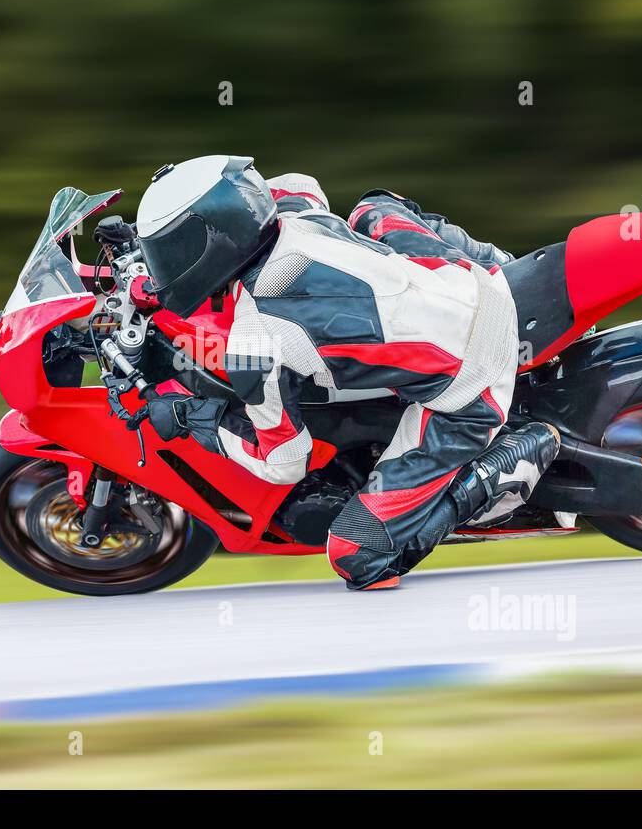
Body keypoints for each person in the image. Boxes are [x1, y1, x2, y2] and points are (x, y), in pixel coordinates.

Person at [133, 155, 560, 590]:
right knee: (372, 207)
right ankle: (509, 262)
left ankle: (504, 468)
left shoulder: (254, 338)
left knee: (356, 559)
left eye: (172, 249)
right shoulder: (292, 210)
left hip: (473, 379)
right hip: (472, 279)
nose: (166, 262)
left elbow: (283, 463)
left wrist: (192, 418)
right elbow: (297, 182)